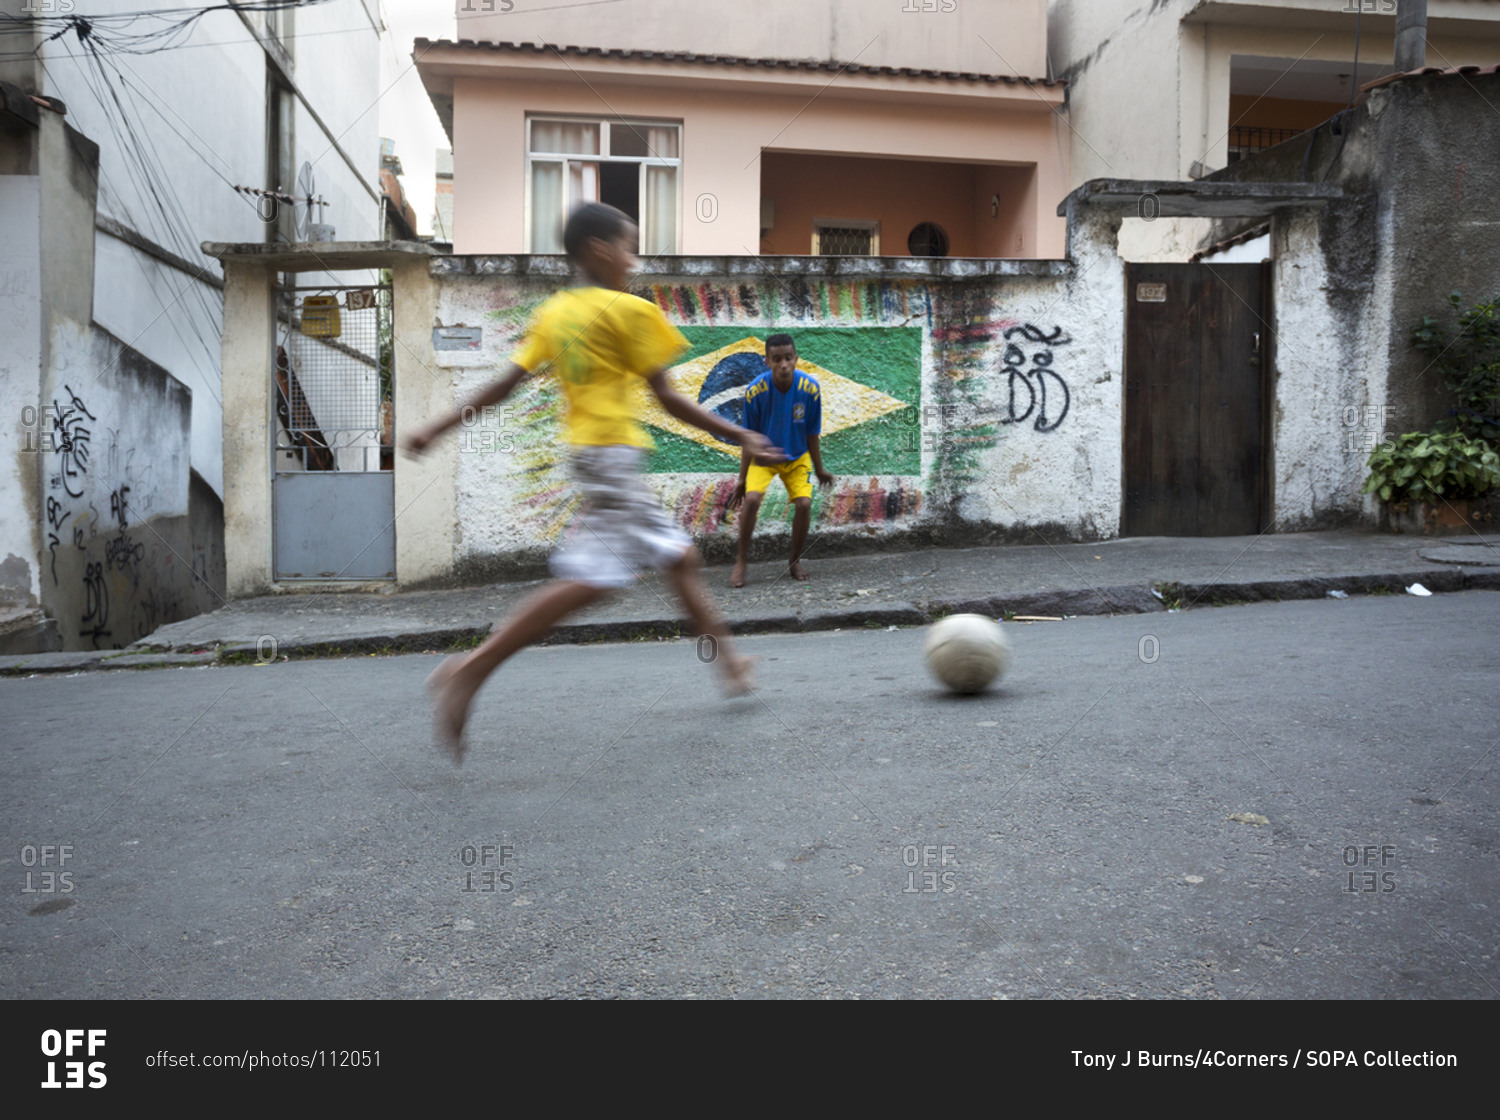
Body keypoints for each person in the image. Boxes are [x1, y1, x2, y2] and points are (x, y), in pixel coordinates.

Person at [402, 202, 784, 763]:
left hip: (592, 457)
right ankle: (470, 669)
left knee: (678, 559)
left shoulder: (555, 313)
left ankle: (729, 664)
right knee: (597, 580)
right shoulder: (631, 312)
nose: (635, 258)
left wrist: (437, 427)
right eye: (629, 246)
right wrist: (741, 434)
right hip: (612, 457)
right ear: (602, 251)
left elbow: (503, 387)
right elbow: (672, 400)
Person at [727, 334, 834, 587]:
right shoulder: (755, 391)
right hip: (764, 458)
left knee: (805, 504)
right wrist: (742, 479)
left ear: (796, 358)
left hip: (796, 457)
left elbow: (812, 433)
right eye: (777, 359)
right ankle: (741, 561)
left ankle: (794, 560)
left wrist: (819, 469)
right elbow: (748, 437)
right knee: (751, 500)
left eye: (788, 358)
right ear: (767, 361)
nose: (783, 364)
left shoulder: (810, 389)